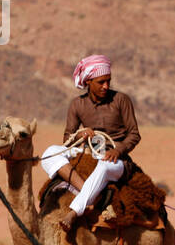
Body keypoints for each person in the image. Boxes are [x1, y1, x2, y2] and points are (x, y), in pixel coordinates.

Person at [40, 54, 142, 233]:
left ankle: (74, 211)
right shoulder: (77, 104)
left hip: (116, 161)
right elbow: (67, 139)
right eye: (101, 82)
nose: (106, 86)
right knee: (50, 152)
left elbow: (134, 134)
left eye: (108, 81)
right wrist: (80, 134)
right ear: (88, 82)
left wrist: (118, 151)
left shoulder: (121, 100)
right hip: (86, 152)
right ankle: (90, 193)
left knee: (103, 166)